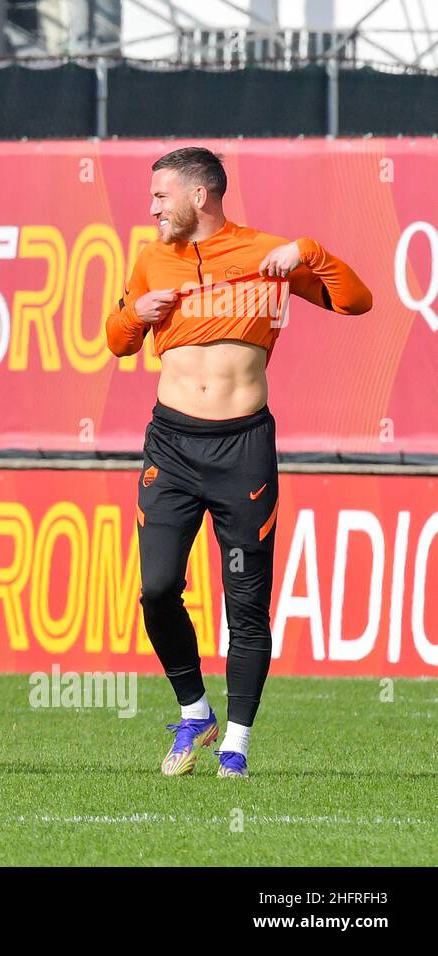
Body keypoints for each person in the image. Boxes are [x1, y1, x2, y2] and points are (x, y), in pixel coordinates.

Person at [105, 146, 371, 779]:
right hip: (169, 445)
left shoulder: (265, 254)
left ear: (201, 195)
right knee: (157, 588)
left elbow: (357, 302)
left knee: (245, 603)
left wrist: (309, 251)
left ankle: (238, 746)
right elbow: (116, 344)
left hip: (243, 448)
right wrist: (131, 315)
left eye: (160, 196)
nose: (152, 209)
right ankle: (195, 712)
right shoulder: (150, 260)